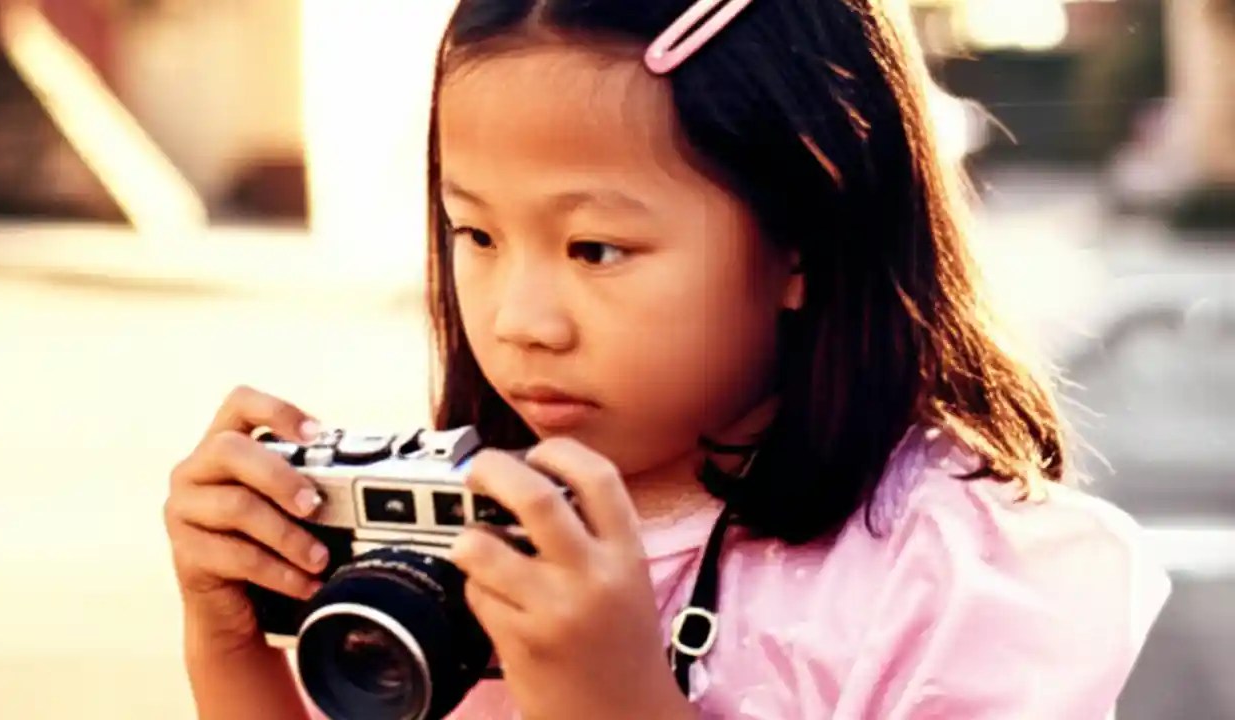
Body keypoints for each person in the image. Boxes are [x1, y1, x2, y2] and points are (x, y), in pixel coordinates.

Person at [162, 0, 1172, 718]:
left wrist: (620, 705)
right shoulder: (459, 532)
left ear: (800, 240)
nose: (519, 321)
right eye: (474, 236)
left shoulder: (949, 580)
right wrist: (231, 653)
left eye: (594, 249)